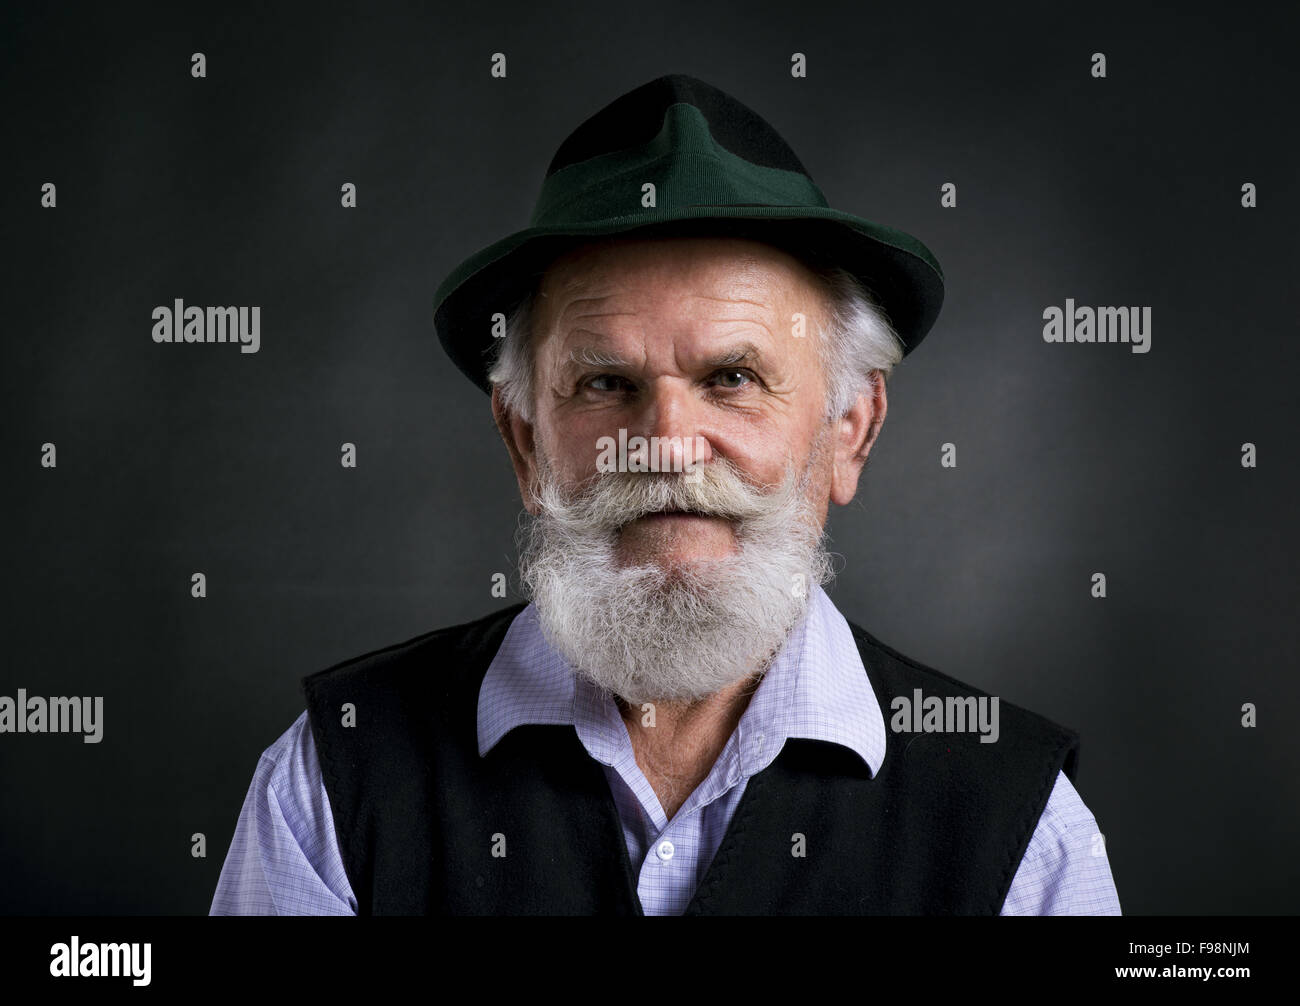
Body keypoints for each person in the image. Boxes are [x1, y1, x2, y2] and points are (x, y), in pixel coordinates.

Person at [211, 73, 1120, 915]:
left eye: (732, 376)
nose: (667, 445)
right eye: (605, 382)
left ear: (850, 429)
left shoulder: (1020, 829)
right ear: (525, 441)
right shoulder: (333, 786)